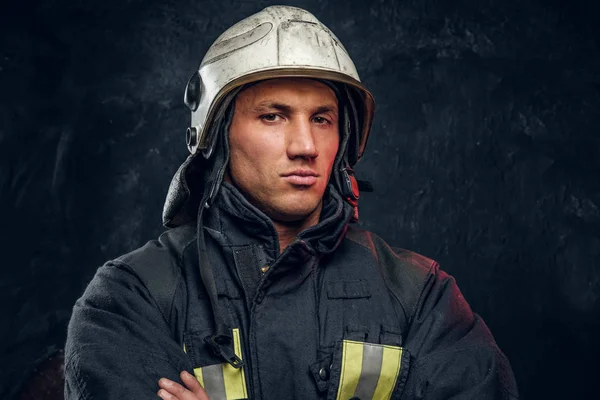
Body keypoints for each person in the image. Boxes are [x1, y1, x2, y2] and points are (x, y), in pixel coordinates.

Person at [64, 5, 518, 400]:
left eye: (322, 119)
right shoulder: (129, 299)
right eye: (273, 115)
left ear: (344, 140)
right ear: (217, 136)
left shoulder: (423, 297)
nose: (305, 145)